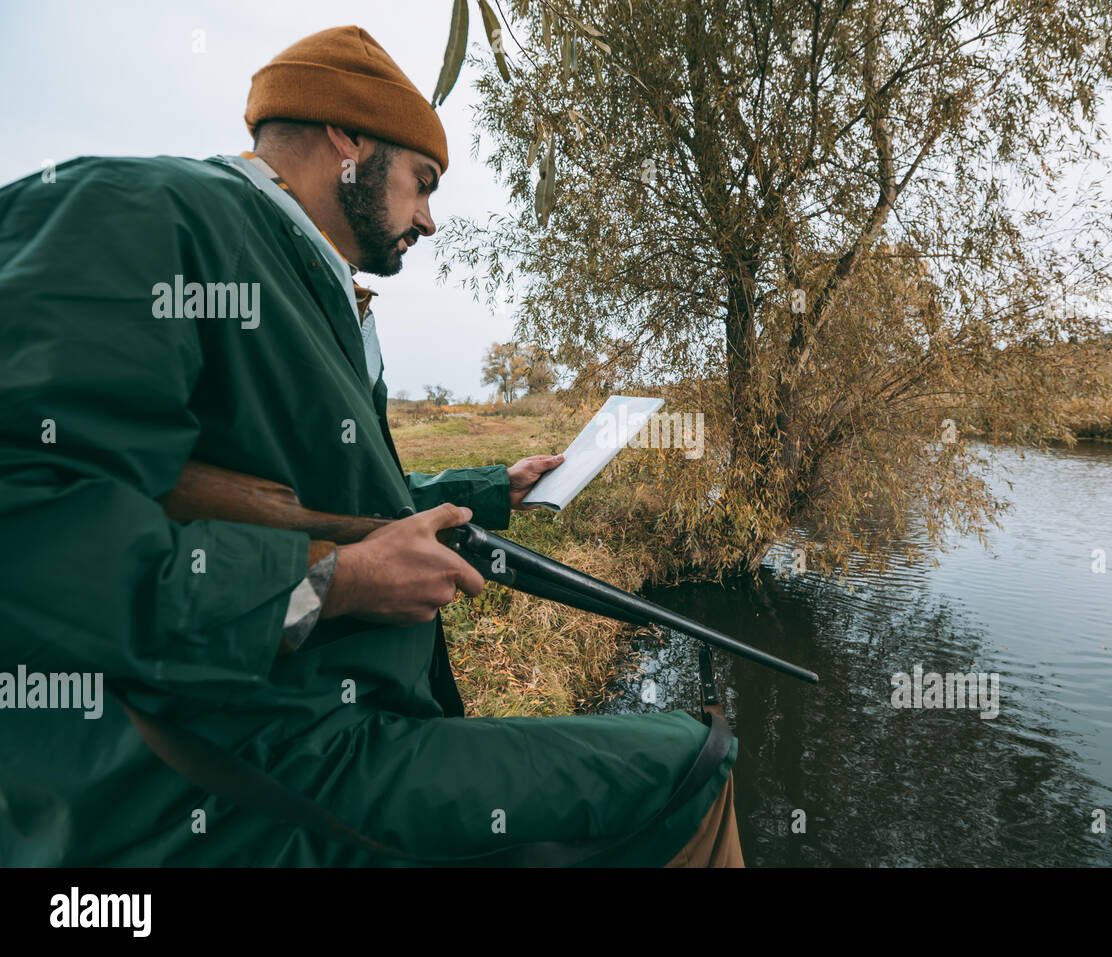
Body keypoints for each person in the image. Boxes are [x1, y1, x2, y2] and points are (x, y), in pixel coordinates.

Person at [0, 25, 742, 867]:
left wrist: (490, 489)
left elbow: (314, 493)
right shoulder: (147, 212)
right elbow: (31, 540)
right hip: (240, 773)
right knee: (696, 762)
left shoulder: (307, 278)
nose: (429, 218)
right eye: (422, 181)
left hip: (340, 727)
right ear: (347, 139)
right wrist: (337, 582)